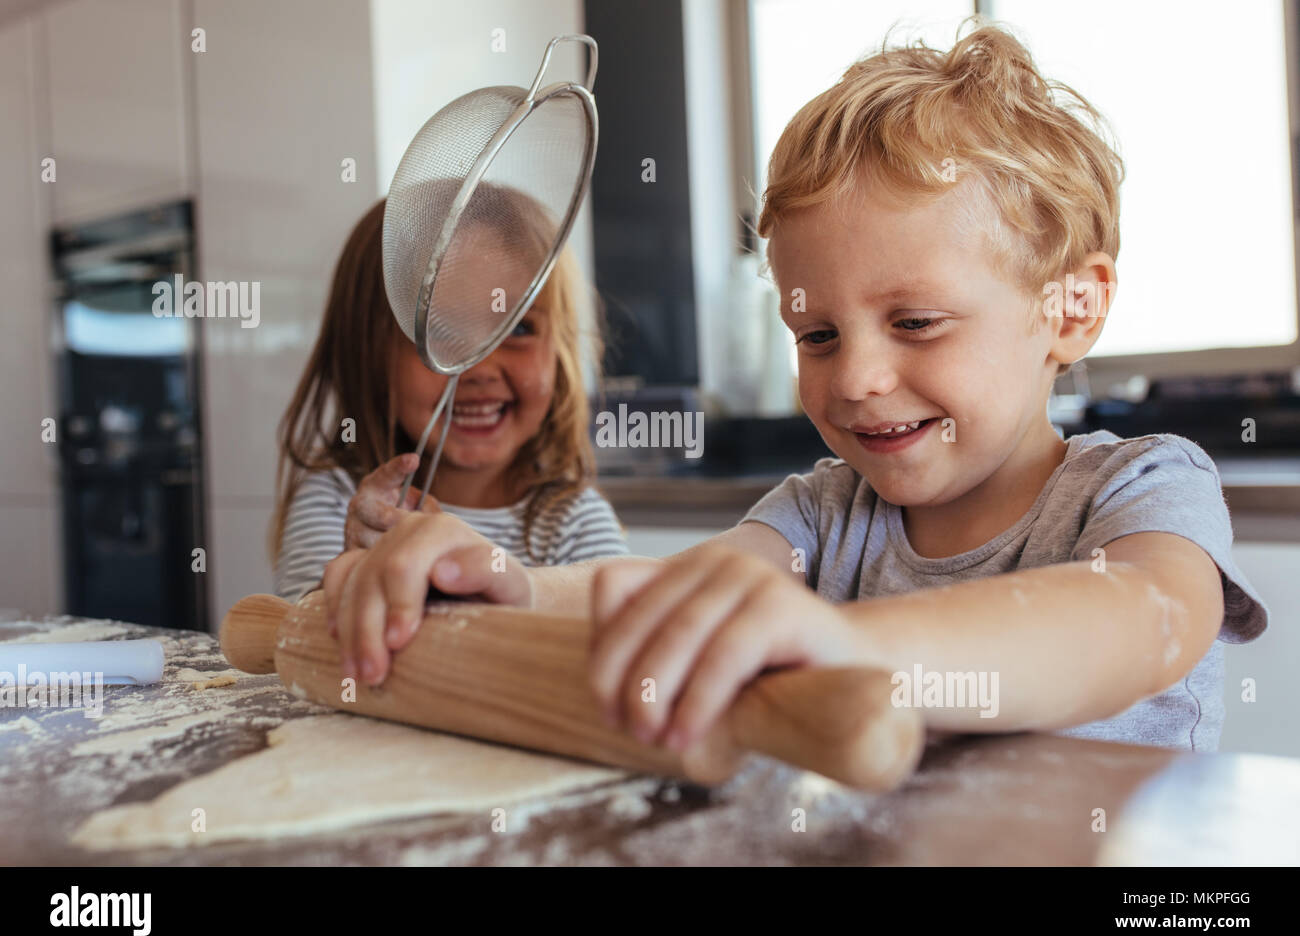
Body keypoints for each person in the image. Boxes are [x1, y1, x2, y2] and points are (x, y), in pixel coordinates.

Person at [320, 23, 1268, 751]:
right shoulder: (821, 515)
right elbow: (678, 594)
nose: (854, 377)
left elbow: (1135, 622)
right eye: (816, 333)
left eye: (915, 323)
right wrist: (508, 586)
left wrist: (862, 650)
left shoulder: (1138, 490)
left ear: (1072, 307)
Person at [271, 193, 628, 685]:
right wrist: (360, 571)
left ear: (560, 348)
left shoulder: (570, 519)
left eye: (518, 327)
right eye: (438, 332)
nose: (478, 367)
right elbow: (301, 646)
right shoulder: (337, 501)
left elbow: (627, 643)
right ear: (368, 354)